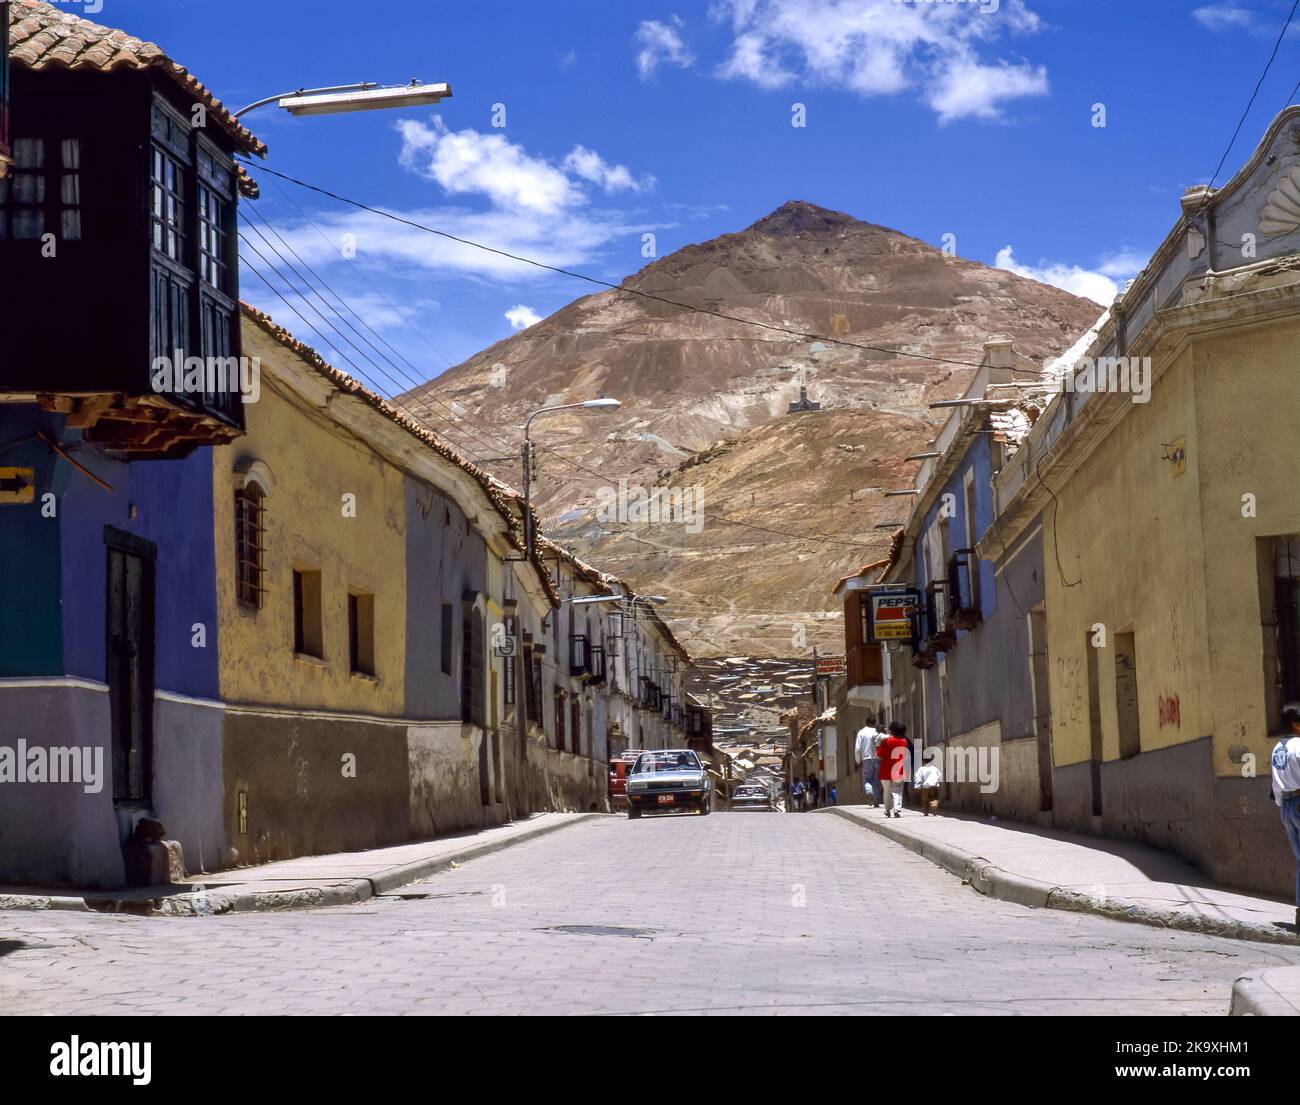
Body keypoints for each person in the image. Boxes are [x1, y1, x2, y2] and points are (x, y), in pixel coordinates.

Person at [1272, 703, 1300, 929]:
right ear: (1295, 724)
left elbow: (1275, 784)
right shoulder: (1299, 746)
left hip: (1286, 807)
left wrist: (1284, 807)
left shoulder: (1277, 748)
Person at [876, 721, 910, 818]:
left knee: (886, 791)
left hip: (885, 769)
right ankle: (897, 808)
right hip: (898, 769)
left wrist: (878, 745)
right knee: (898, 790)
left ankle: (887, 810)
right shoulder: (904, 741)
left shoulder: (886, 741)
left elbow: (879, 754)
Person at [854, 714, 882, 806]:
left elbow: (857, 749)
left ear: (866, 722)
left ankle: (869, 791)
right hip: (877, 759)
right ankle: (876, 801)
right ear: (875, 723)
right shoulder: (877, 733)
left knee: (867, 779)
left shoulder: (861, 733)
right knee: (876, 781)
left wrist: (858, 761)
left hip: (866, 759)